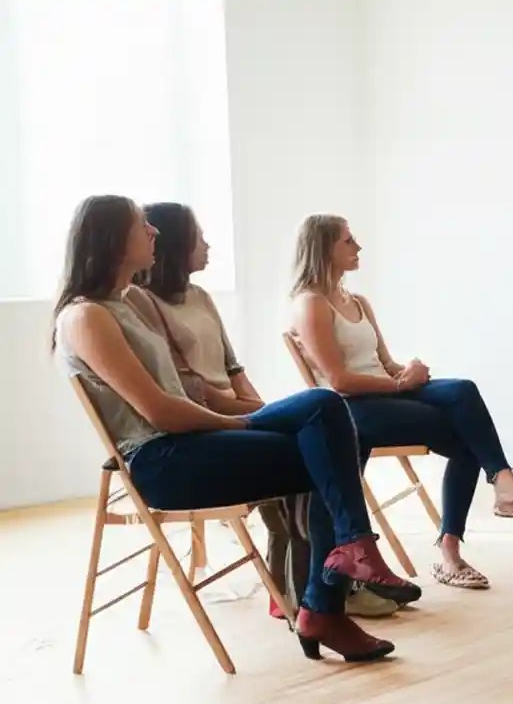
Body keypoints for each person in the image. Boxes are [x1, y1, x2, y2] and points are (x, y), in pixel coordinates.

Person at [52, 195, 420, 663]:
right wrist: (237, 420)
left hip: (195, 442)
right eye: (141, 225)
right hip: (165, 460)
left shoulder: (126, 304)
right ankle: (331, 593)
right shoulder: (86, 316)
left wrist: (234, 413)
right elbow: (161, 412)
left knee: (328, 412)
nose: (154, 233)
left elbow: (190, 391)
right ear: (110, 239)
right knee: (329, 436)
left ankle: (344, 568)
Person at [125, 202, 398, 620]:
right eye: (200, 236)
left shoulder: (199, 296)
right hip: (204, 421)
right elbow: (190, 390)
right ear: (179, 243)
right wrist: (248, 416)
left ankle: (325, 579)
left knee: (322, 428)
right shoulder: (141, 303)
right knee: (321, 437)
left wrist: (261, 408)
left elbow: (234, 370)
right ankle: (322, 584)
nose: (209, 244)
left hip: (234, 412)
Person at [289, 214, 513, 590]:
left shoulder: (359, 302)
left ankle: (501, 489)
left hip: (387, 389)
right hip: (353, 407)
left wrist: (408, 370)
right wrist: (402, 386)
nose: (358, 247)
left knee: (463, 391)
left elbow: (385, 363)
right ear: (324, 248)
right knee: (469, 436)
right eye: (348, 241)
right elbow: (338, 381)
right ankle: (474, 528)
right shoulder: (311, 304)